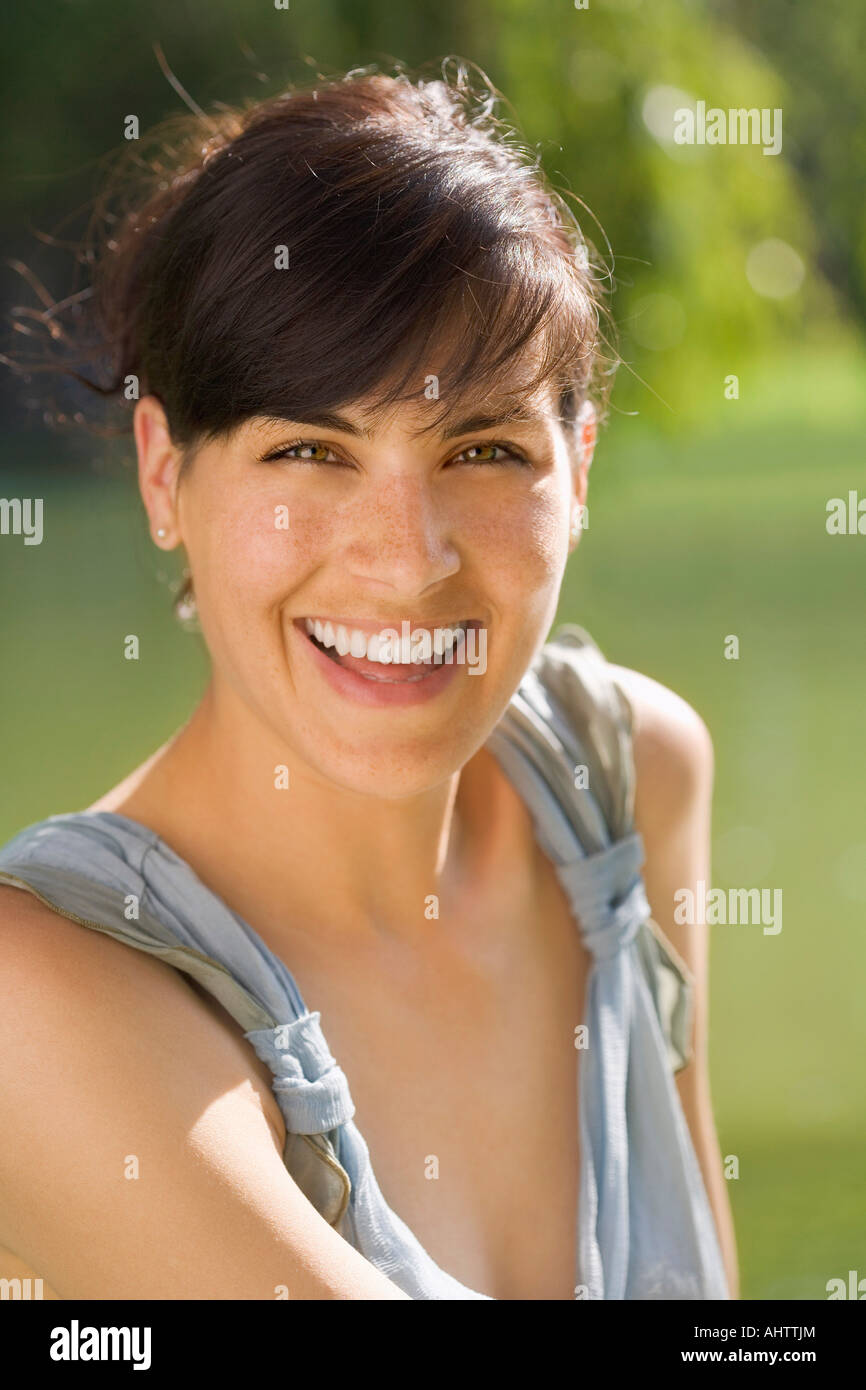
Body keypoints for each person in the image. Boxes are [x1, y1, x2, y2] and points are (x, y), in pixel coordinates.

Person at [0, 59, 737, 1300]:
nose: (405, 561)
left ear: (580, 467)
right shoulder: (40, 996)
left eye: (484, 448)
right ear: (164, 475)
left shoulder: (626, 778)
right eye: (306, 448)